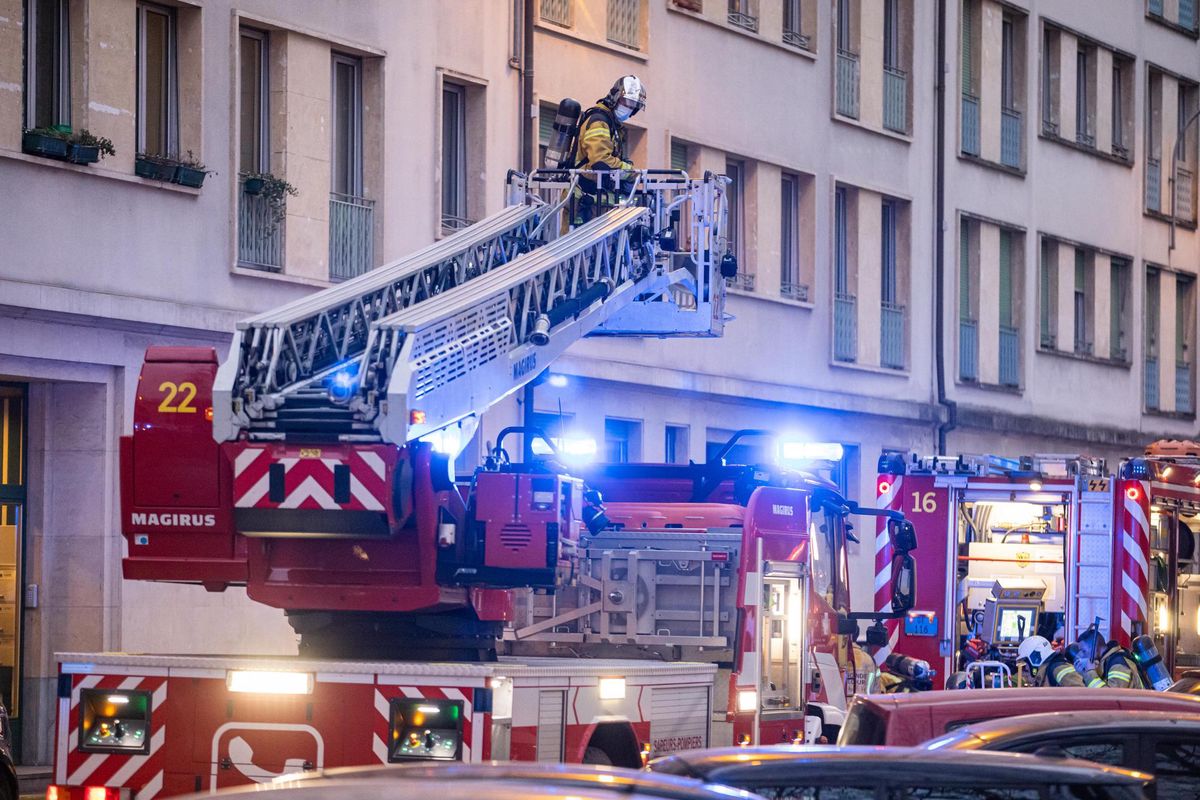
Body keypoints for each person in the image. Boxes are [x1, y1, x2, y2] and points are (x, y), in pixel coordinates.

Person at [571, 76, 646, 224]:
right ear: (615, 96)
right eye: (627, 102)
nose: (629, 108)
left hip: (594, 199)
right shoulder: (599, 121)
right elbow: (600, 160)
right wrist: (629, 171)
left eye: (633, 105)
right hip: (584, 199)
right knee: (574, 243)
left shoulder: (611, 123)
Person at [1073, 629, 1146, 689]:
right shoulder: (1104, 663)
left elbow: (1111, 698)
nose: (1082, 655)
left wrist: (1090, 672)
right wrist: (1084, 673)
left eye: (1084, 651)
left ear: (1095, 647)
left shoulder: (1118, 664)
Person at [1018, 634, 1085, 687]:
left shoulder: (1059, 669)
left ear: (1036, 658)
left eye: (1026, 662)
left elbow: (1080, 695)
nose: (1026, 667)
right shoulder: (1045, 672)